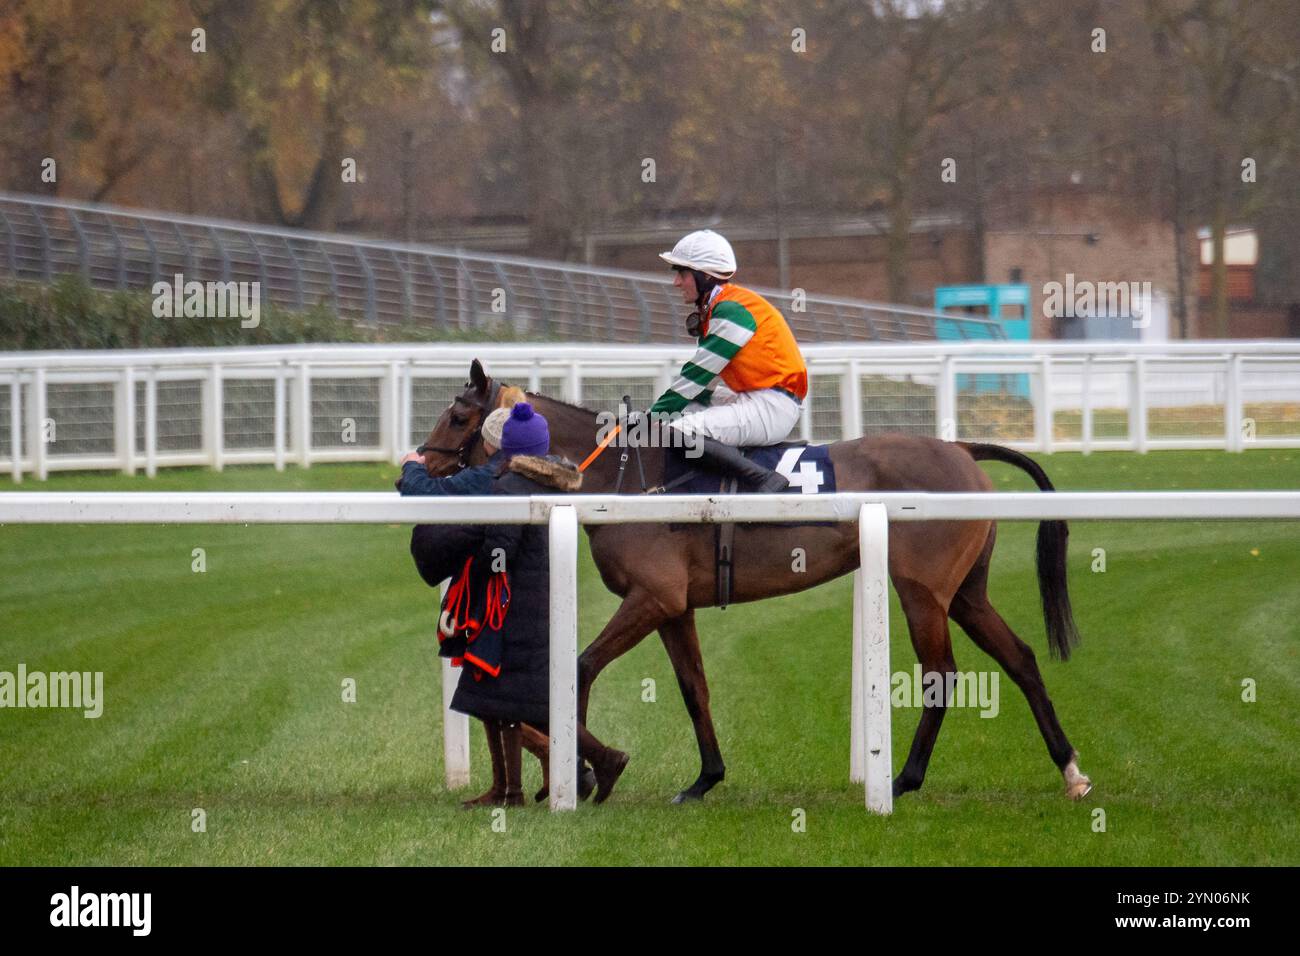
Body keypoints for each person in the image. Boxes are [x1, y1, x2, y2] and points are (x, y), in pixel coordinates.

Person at [450, 402, 630, 804]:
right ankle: (511, 788)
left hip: (513, 605)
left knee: (513, 698)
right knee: (518, 700)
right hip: (547, 601)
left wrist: (474, 557)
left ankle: (600, 757)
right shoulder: (556, 482)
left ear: (509, 450)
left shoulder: (510, 486)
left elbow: (502, 550)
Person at [401, 404, 554, 807]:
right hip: (530, 598)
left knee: (488, 693)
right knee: (494, 694)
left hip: (502, 603)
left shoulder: (496, 477)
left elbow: (426, 494)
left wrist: (412, 466)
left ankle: (574, 759)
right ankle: (511, 787)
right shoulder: (543, 475)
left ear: (489, 446)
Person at [651, 229, 808, 492]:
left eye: (682, 273)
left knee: (677, 432)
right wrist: (661, 415)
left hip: (771, 406)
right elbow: (703, 385)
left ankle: (762, 478)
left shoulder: (731, 311)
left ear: (704, 276)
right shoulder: (719, 307)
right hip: (758, 398)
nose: (676, 282)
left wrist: (650, 418)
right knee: (677, 418)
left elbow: (695, 375)